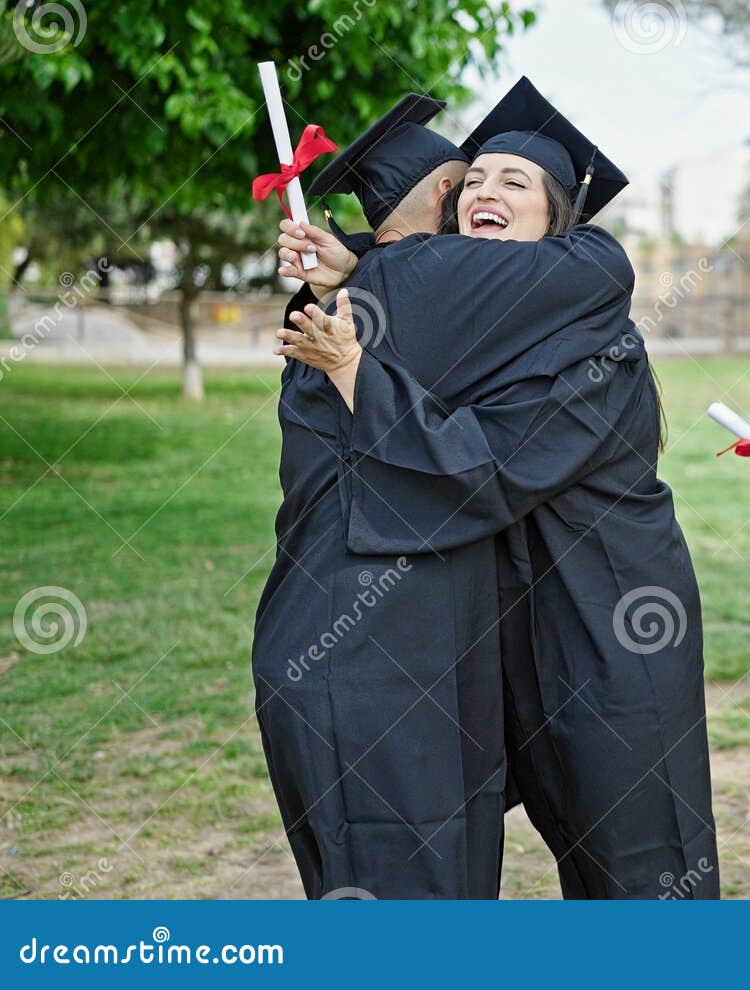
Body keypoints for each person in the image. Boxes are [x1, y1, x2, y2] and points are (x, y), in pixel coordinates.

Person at [275, 77, 718, 900]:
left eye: (514, 183)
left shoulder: (594, 335)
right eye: (473, 180)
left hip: (605, 616)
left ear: (557, 222)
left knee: (636, 848)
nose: (485, 190)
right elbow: (429, 293)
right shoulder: (480, 326)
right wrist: (359, 272)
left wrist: (355, 359)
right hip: (513, 618)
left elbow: (484, 465)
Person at [251, 93, 495, 899]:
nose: (483, 200)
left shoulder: (356, 296)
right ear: (438, 194)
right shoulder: (412, 294)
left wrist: (351, 265)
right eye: (468, 183)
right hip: (358, 646)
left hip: (350, 632)